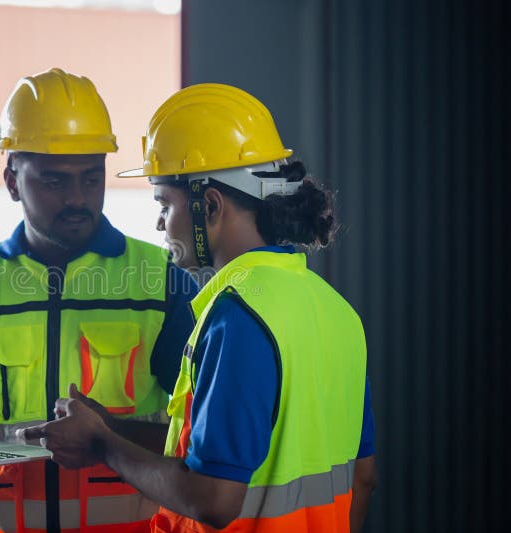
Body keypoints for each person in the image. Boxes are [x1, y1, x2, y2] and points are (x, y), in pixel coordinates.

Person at [23, 83, 377, 533]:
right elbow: (364, 479)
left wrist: (101, 443)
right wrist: (110, 427)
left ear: (209, 205)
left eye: (164, 204)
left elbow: (213, 499)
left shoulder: (238, 318)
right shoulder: (336, 310)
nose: (158, 223)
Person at [0, 68, 198, 533]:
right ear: (12, 180)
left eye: (91, 179)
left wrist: (104, 435)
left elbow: (198, 442)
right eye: (54, 181)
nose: (77, 198)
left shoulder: (162, 283)